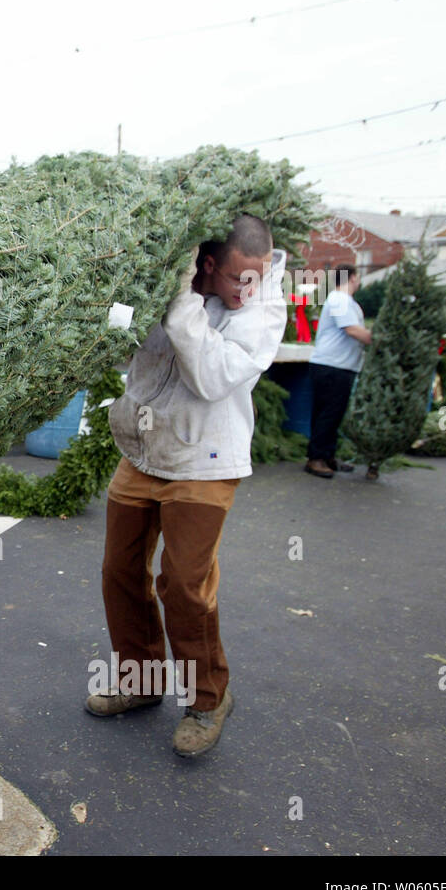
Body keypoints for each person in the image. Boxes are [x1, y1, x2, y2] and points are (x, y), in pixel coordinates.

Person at [87, 215, 286, 758]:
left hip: (207, 461)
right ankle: (142, 682)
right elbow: (117, 338)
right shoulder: (161, 286)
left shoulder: (264, 308)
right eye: (239, 277)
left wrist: (181, 302)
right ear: (206, 264)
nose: (251, 289)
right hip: (144, 452)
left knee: (183, 584)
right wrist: (147, 290)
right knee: (120, 571)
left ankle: (208, 699)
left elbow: (212, 376)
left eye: (259, 275)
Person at [305, 265, 371, 478]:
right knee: (328, 414)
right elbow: (351, 329)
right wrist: (378, 340)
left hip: (339, 365)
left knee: (332, 414)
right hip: (332, 366)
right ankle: (316, 459)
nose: (359, 280)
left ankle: (327, 455)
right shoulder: (339, 300)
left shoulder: (344, 301)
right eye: (358, 276)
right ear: (351, 278)